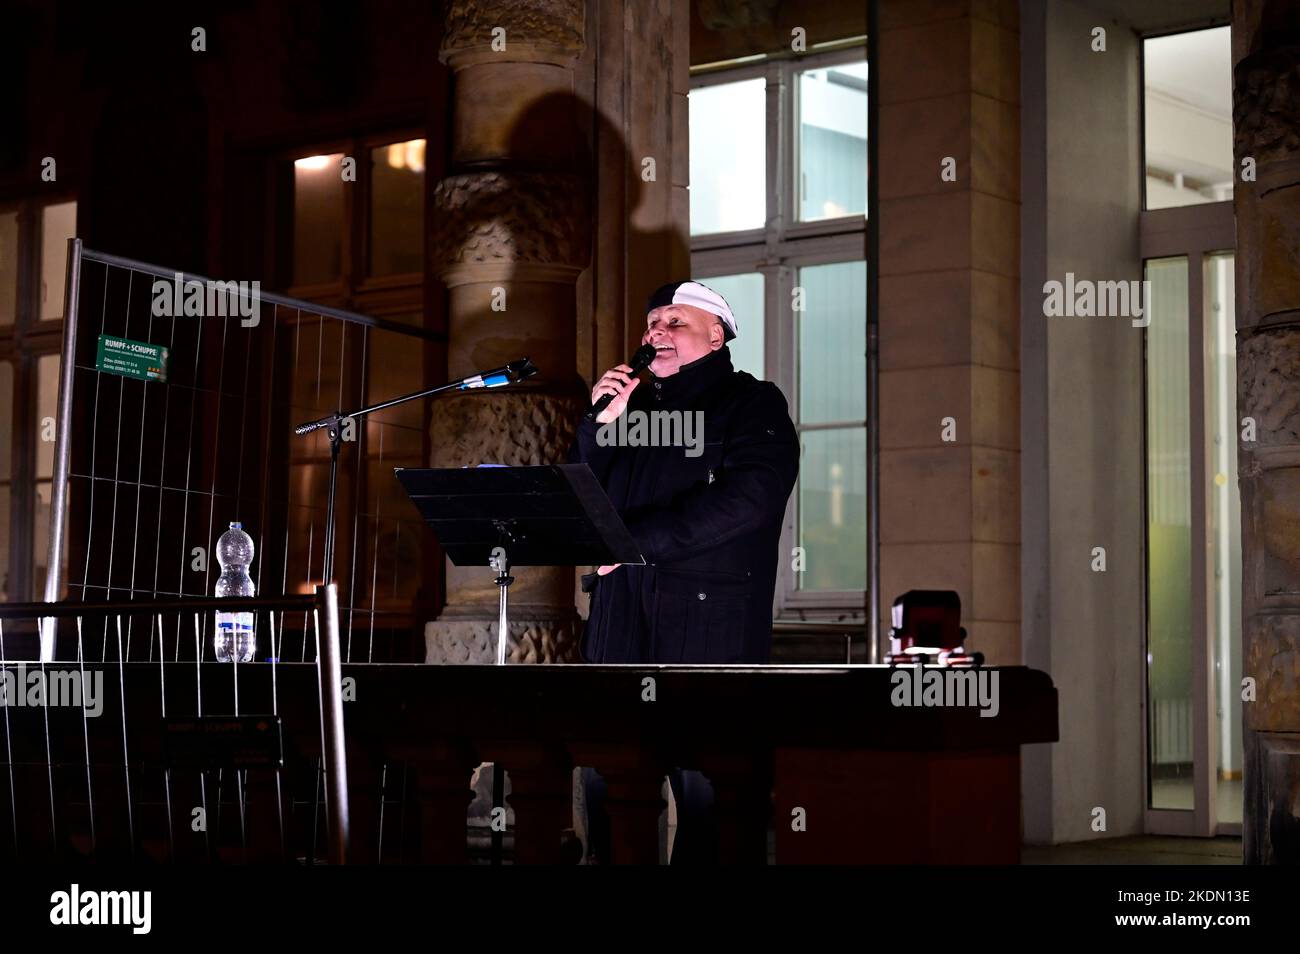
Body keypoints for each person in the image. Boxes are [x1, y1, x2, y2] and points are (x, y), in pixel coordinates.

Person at [568, 279, 800, 863]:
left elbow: (752, 497)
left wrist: (636, 542)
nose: (657, 333)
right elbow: (584, 496)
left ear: (716, 335)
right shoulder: (634, 411)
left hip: (706, 630)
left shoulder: (752, 403)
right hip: (621, 624)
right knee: (609, 785)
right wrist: (600, 428)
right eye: (652, 324)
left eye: (675, 322)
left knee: (706, 795)